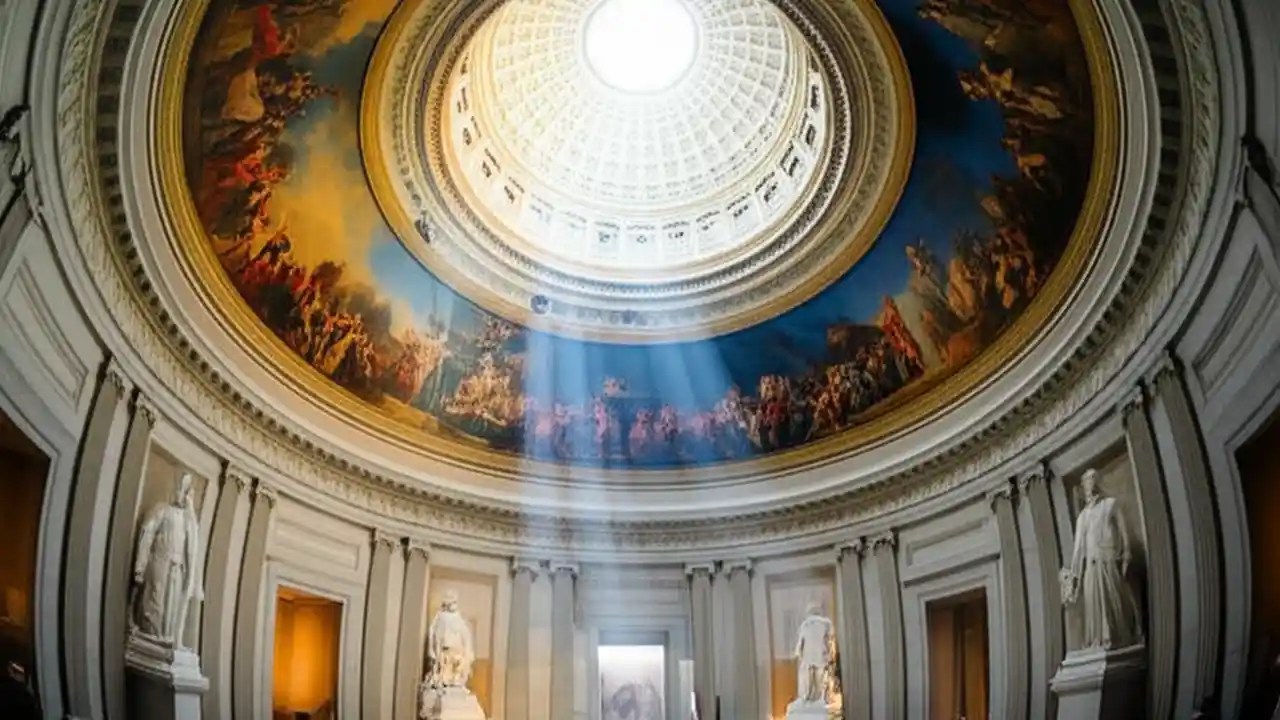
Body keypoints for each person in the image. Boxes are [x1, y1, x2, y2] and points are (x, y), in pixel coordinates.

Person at [1063, 469, 1143, 649]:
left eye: (1092, 480)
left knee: (1113, 599)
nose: (1089, 484)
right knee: (1093, 604)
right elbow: (1078, 549)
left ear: (1098, 482)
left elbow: (1123, 530)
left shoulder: (1110, 504)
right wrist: (1074, 576)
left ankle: (1117, 637)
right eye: (1086, 481)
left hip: (1108, 558)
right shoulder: (1082, 516)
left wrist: (1127, 551)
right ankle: (1098, 639)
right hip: (1091, 563)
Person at [130, 473, 203, 647]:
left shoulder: (188, 520)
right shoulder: (161, 509)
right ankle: (150, 635)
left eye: (187, 490)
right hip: (159, 561)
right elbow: (147, 534)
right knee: (156, 600)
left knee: (171, 605)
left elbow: (193, 549)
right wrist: (140, 565)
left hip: (177, 568)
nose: (183, 494)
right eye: (181, 489)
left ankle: (165, 636)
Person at [427, 591, 475, 687]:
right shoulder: (440, 616)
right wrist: (431, 649)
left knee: (455, 669)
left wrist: (467, 652)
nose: (453, 604)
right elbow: (432, 632)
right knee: (445, 669)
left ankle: (454, 681)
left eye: (454, 602)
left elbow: (465, 635)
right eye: (451, 602)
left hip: (456, 650)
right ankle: (444, 681)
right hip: (444, 649)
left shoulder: (458, 618)